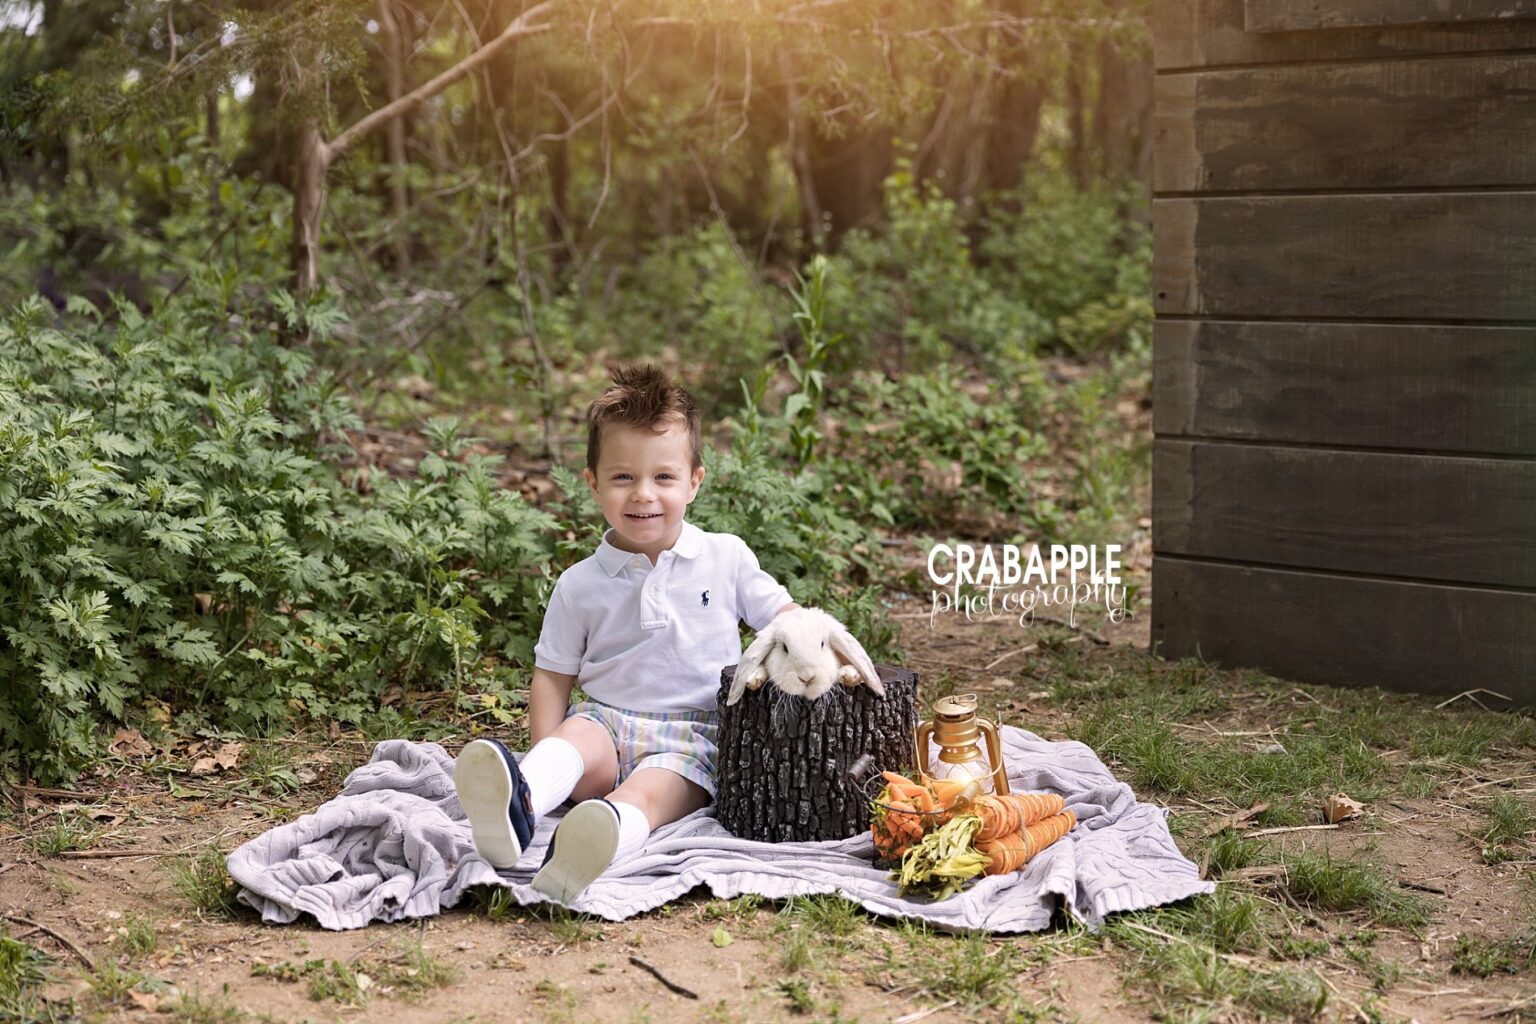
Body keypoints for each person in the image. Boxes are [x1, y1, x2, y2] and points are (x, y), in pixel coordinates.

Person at [454, 363, 798, 905]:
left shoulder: (725, 557)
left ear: (694, 482)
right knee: (575, 741)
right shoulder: (580, 584)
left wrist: (807, 638)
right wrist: (548, 757)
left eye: (663, 477)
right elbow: (553, 676)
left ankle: (598, 840)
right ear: (593, 484)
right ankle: (520, 802)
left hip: (693, 738)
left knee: (651, 794)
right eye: (622, 477)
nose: (644, 494)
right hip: (607, 724)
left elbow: (783, 616)